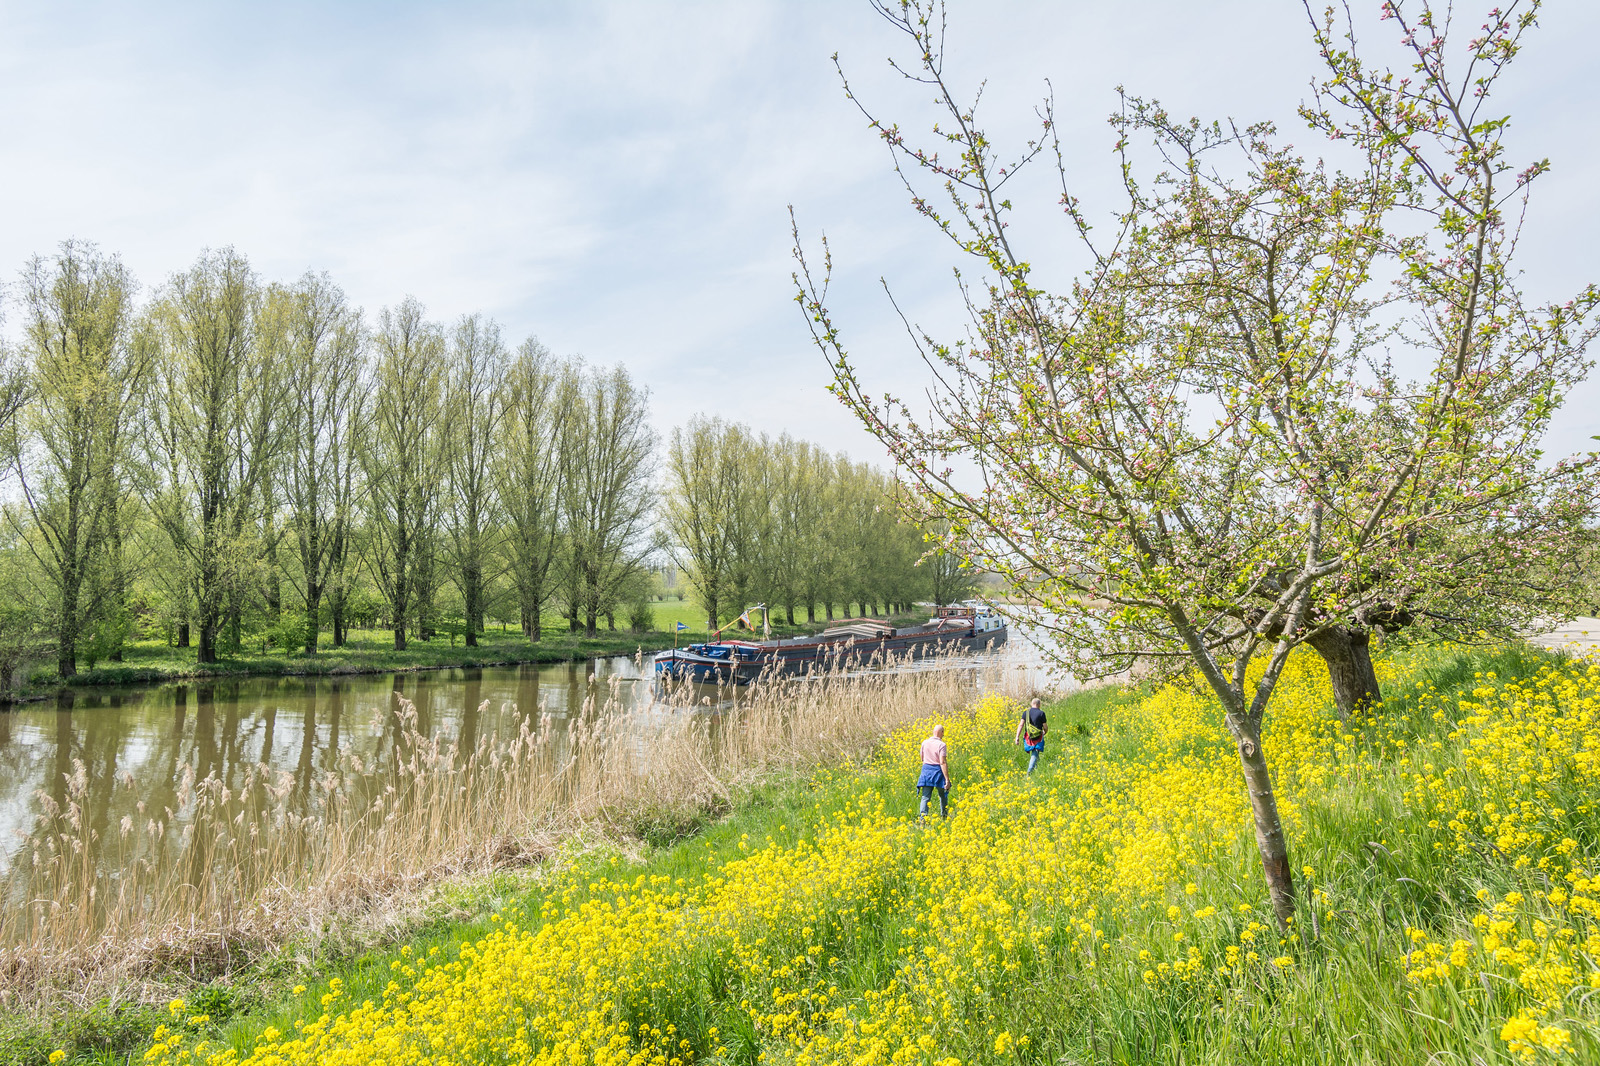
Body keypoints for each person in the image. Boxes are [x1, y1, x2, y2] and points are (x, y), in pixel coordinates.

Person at [917, 724, 951, 820]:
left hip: (926, 771)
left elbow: (922, 758)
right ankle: (944, 817)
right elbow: (942, 762)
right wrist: (947, 779)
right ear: (942, 733)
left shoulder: (924, 743)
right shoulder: (941, 745)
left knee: (925, 797)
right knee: (943, 795)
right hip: (938, 772)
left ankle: (923, 819)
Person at [1015, 697, 1048, 774]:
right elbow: (1045, 727)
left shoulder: (1026, 713)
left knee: (1035, 753)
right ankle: (1029, 773)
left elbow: (1021, 725)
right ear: (1039, 704)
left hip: (1028, 737)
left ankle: (1036, 771)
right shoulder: (1041, 713)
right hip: (1038, 737)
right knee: (1035, 753)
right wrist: (1044, 732)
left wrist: (1017, 737)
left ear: (1031, 704)